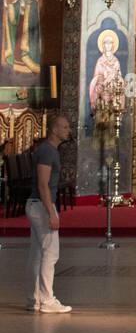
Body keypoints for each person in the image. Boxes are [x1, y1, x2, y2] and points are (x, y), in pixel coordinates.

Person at [25, 112, 72, 313]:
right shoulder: (48, 151)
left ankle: (34, 298)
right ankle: (47, 300)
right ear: (54, 130)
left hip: (37, 204)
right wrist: (51, 212)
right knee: (51, 253)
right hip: (42, 205)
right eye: (64, 127)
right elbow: (43, 184)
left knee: (37, 253)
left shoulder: (49, 150)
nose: (68, 130)